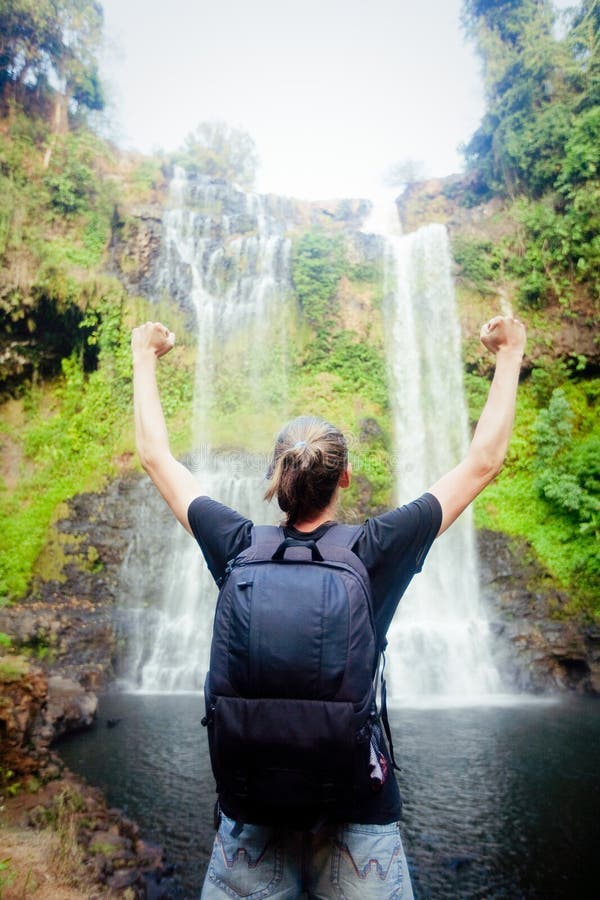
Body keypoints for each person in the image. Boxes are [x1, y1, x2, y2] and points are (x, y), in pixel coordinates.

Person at [131, 314, 526, 899]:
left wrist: (144, 353)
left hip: (252, 813)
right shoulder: (374, 551)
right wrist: (510, 352)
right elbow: (483, 463)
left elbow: (157, 459)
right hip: (356, 815)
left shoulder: (238, 547)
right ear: (345, 477)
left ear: (274, 479)